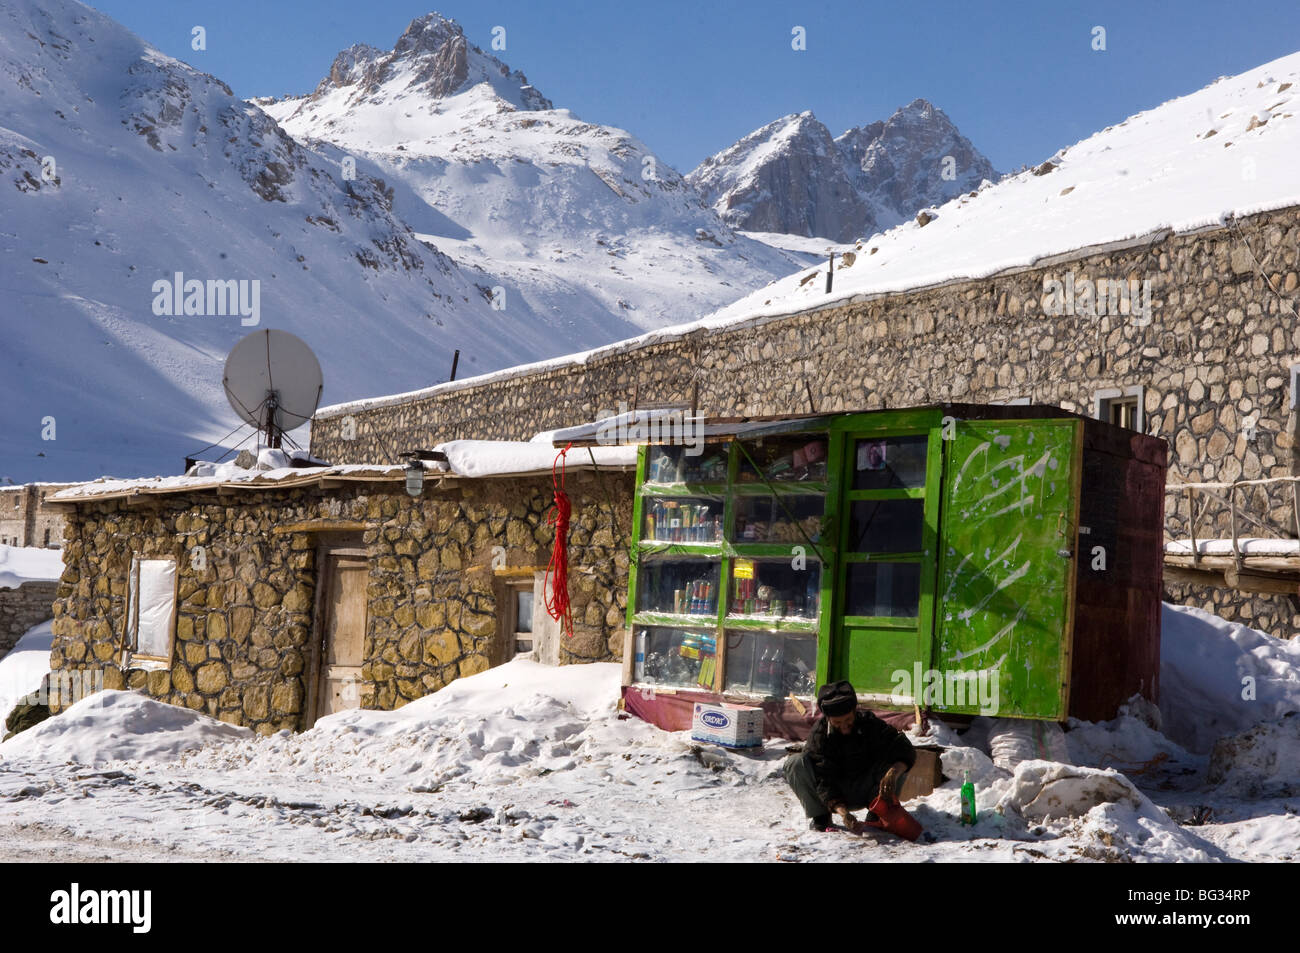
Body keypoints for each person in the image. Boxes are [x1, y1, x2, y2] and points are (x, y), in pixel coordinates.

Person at [783, 679, 916, 832]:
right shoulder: (819, 736)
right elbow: (824, 781)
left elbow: (902, 747)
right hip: (835, 795)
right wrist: (844, 814)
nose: (845, 728)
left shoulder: (869, 723)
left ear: (854, 711)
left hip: (867, 789)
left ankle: (878, 813)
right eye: (838, 723)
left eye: (848, 720)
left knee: (897, 762)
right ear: (828, 719)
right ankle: (821, 816)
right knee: (795, 763)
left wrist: (893, 773)